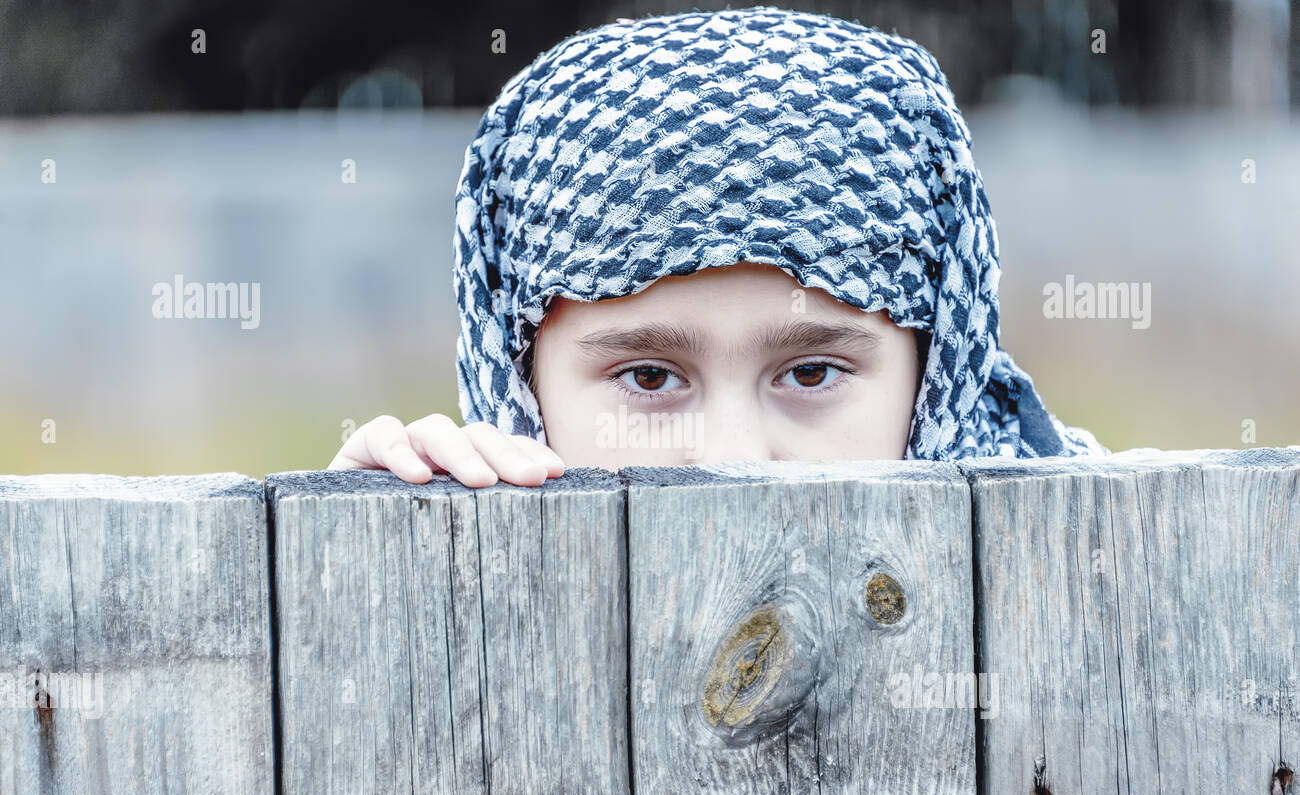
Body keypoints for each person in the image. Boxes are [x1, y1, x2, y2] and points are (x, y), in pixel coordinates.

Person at [329, 5, 1108, 487]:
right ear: (522, 387)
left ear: (936, 377)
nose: (732, 456)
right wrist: (365, 560)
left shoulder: (1094, 571)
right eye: (648, 375)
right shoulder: (469, 584)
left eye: (810, 371)